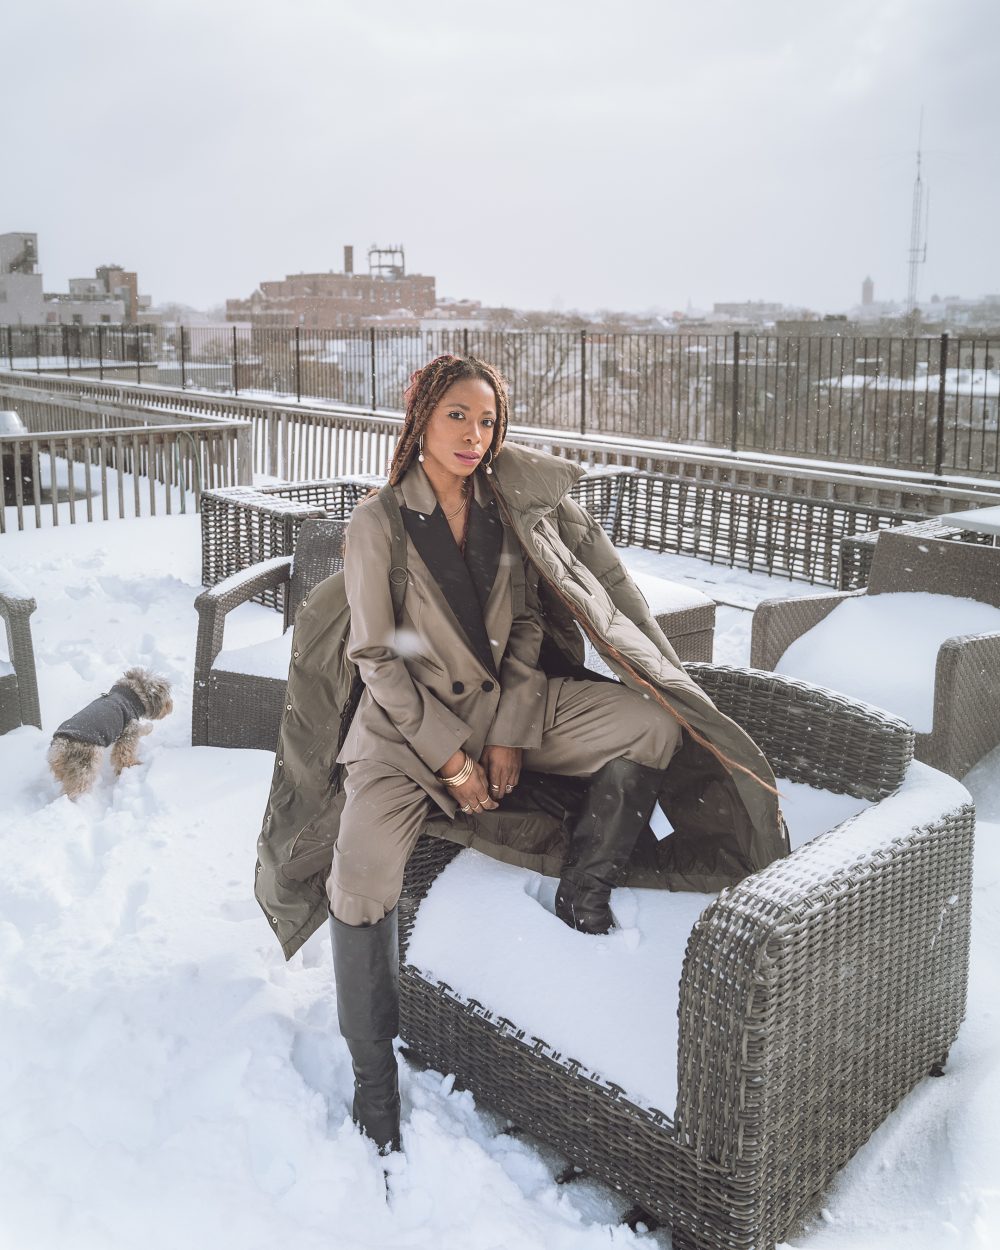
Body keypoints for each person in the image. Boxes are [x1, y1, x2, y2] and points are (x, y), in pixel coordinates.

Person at [316, 354, 787, 1156]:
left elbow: (530, 625)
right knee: (359, 884)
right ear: (421, 416)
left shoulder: (510, 509)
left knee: (652, 724)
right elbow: (377, 658)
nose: (474, 434)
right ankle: (373, 1081)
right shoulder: (381, 522)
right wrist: (454, 760)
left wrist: (507, 733)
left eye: (488, 419)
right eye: (457, 415)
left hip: (508, 708)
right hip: (406, 734)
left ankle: (585, 889)